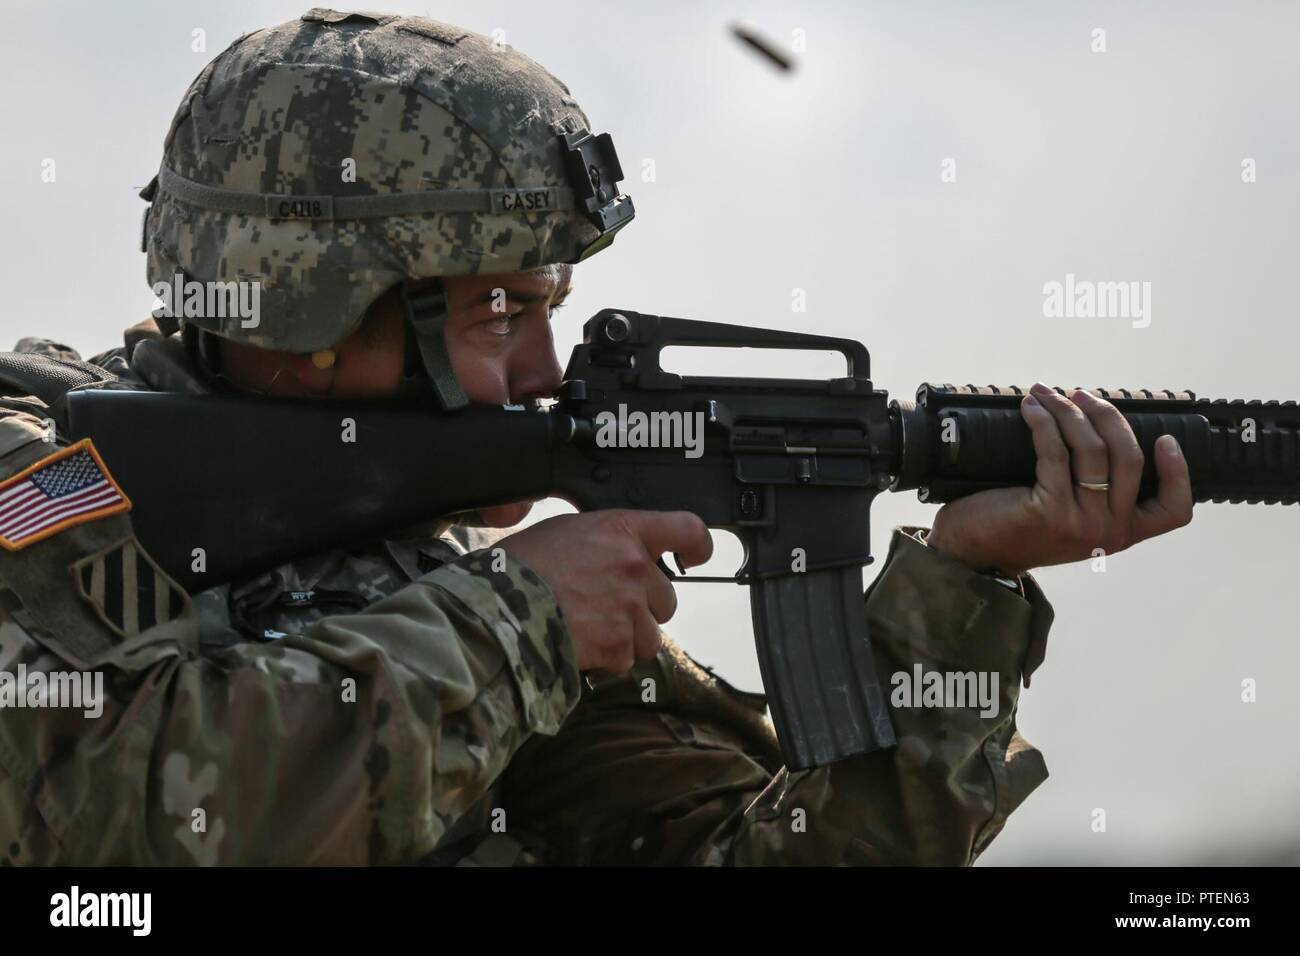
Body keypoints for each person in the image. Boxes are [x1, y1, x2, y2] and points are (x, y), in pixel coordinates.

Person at [0, 10, 1192, 865]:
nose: (543, 371)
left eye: (549, 307)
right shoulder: (36, 468)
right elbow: (111, 818)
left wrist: (964, 586)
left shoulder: (445, 577)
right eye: (497, 312)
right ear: (308, 307)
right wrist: (515, 618)